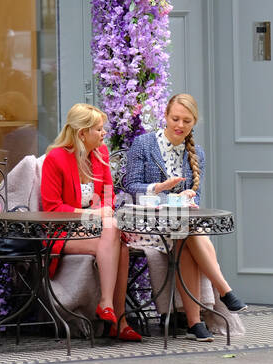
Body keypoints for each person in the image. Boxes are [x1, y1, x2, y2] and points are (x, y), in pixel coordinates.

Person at [123, 93, 246, 341]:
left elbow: (196, 199)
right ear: (165, 116)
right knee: (189, 231)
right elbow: (130, 185)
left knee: (186, 234)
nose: (180, 125)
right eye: (175, 119)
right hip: (150, 227)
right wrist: (159, 188)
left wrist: (189, 197)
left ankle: (194, 323)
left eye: (186, 121)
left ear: (194, 122)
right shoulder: (144, 144)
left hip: (181, 228)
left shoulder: (196, 153)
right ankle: (223, 289)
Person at [40, 103, 140, 341]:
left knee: (120, 246)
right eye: (98, 129)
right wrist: (92, 215)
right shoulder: (55, 158)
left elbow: (108, 194)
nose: (104, 133)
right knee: (118, 243)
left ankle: (112, 313)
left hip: (96, 230)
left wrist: (104, 208)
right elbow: (52, 208)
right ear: (81, 133)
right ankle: (116, 315)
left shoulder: (101, 153)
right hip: (63, 231)